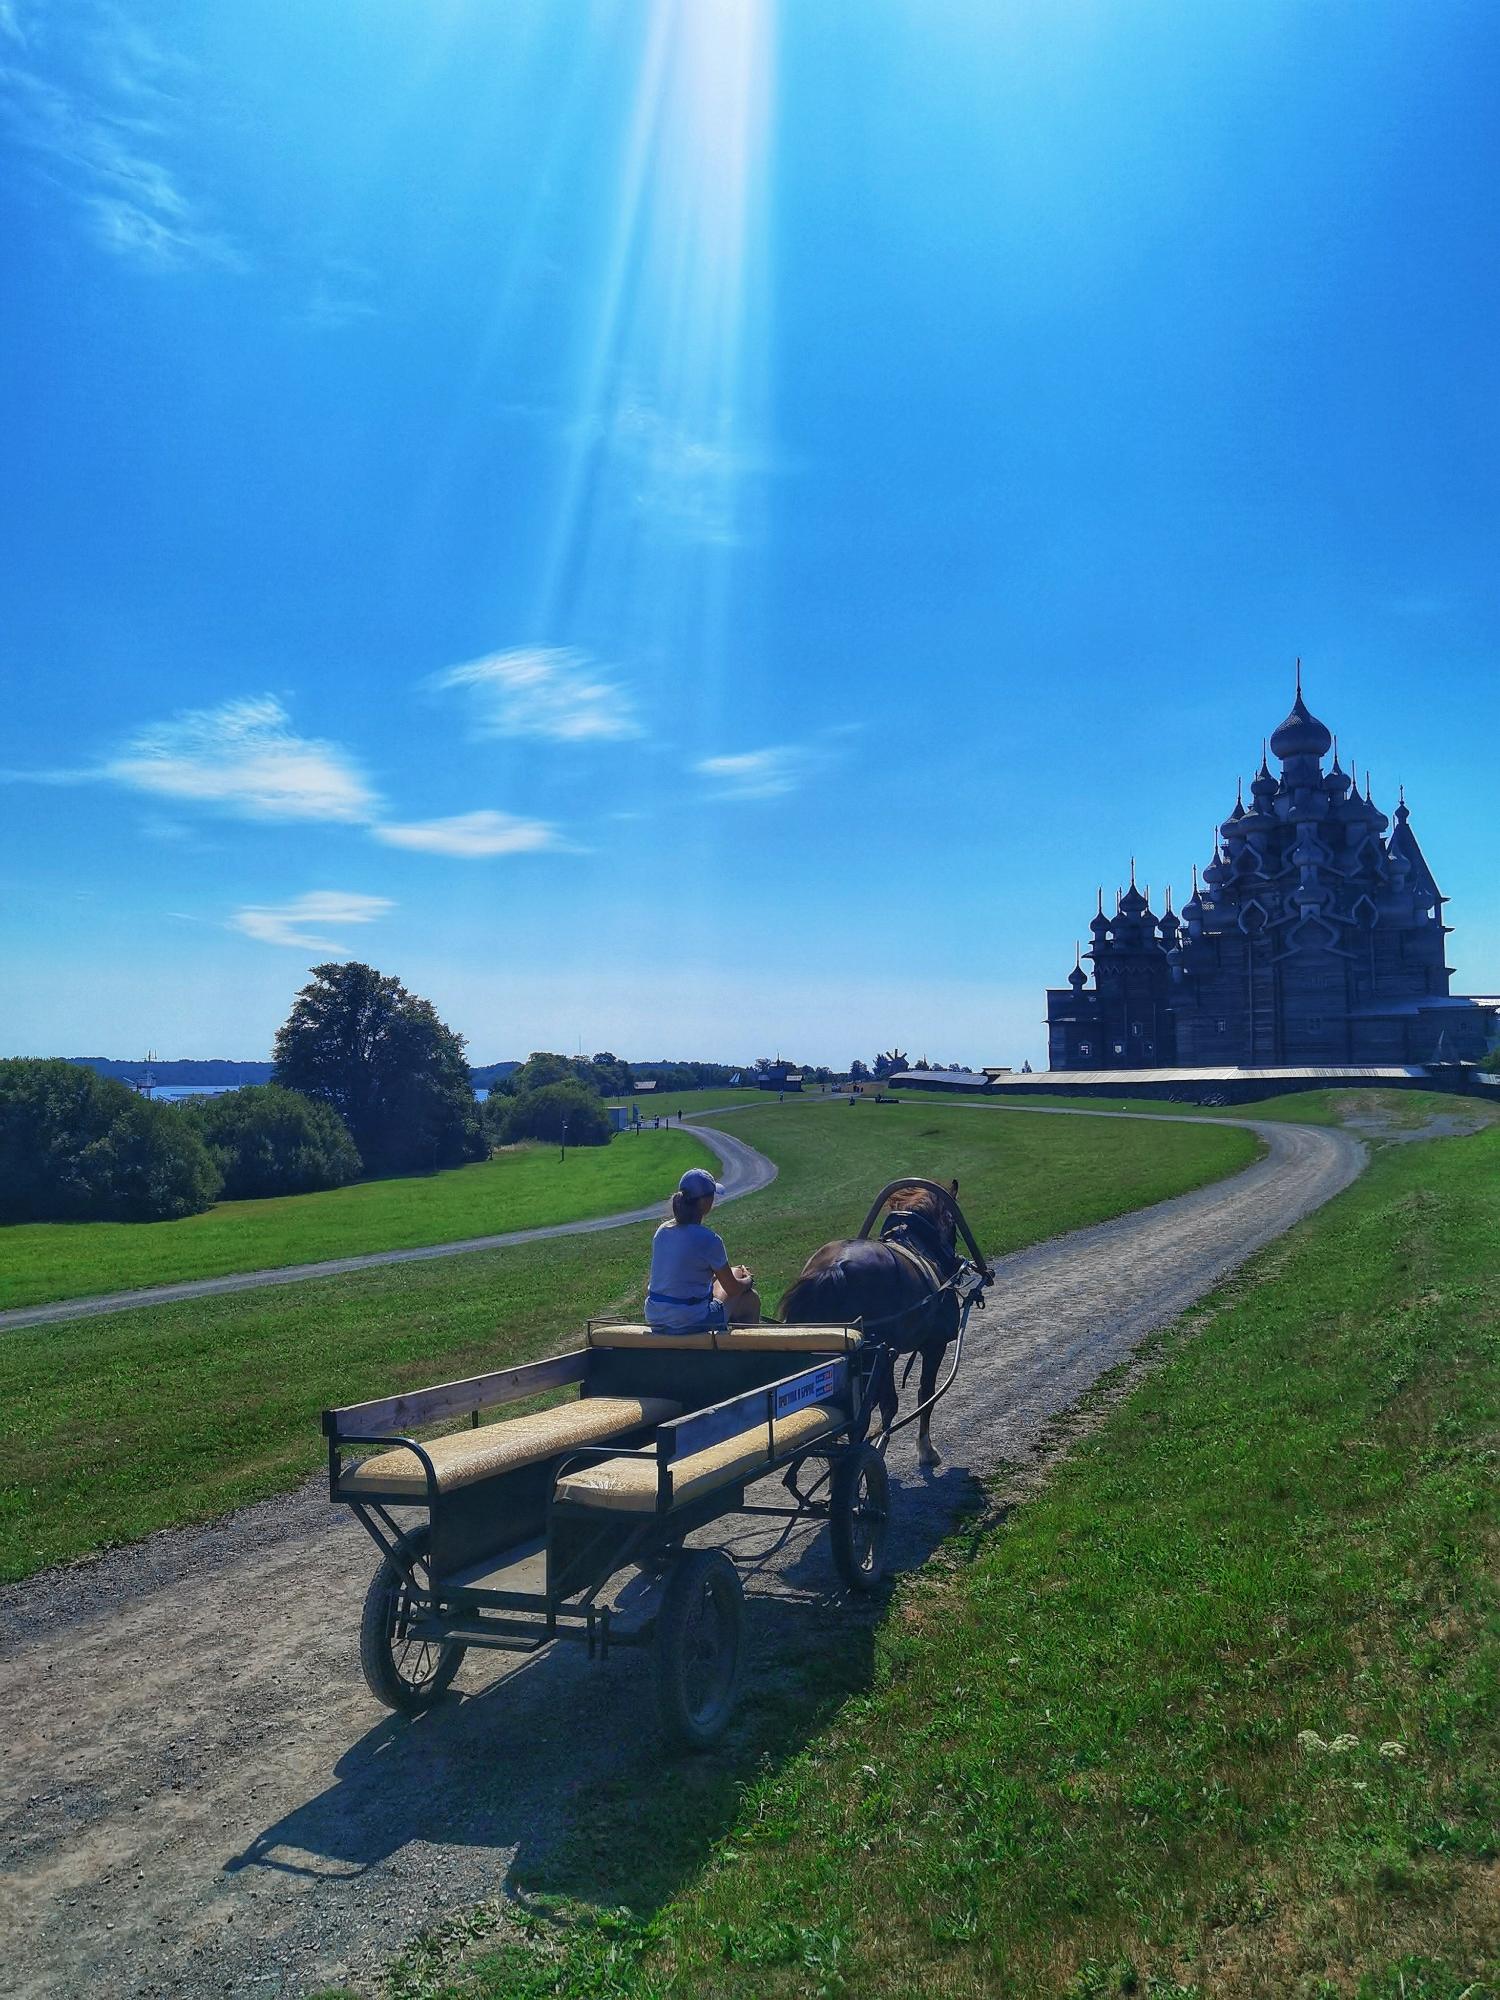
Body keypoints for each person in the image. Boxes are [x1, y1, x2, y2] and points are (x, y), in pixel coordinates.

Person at [645, 1167, 760, 1332]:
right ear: (704, 1203)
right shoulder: (709, 1239)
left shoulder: (663, 1230)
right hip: (690, 1321)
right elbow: (732, 1289)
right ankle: (747, 1354)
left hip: (655, 1317)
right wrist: (749, 1280)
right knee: (750, 1299)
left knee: (735, 1272)